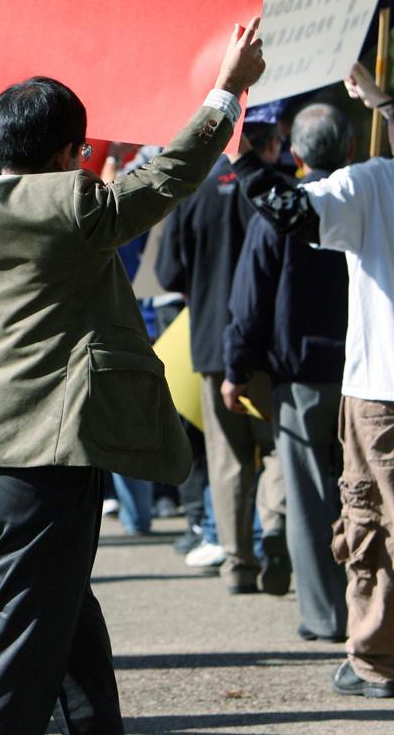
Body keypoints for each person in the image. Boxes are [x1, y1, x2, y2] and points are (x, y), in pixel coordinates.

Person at [0, 0, 265, 733]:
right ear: (73, 151)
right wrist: (228, 86)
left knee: (65, 628)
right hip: (47, 468)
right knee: (21, 662)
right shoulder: (77, 204)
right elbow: (170, 175)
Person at [237, 62, 394, 699]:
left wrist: (242, 157)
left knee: (374, 524)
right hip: (369, 379)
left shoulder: (373, 183)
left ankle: (376, 662)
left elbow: (288, 210)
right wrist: (382, 101)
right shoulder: (373, 178)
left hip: (382, 386)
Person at [221, 103, 353, 643]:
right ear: (347, 149)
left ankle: (326, 615)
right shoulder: (368, 199)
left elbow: (250, 299)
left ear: (295, 153)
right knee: (366, 495)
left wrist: (235, 368)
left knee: (307, 500)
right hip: (363, 372)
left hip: (299, 376)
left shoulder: (280, 210)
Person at [154, 121, 288, 591]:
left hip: (211, 341)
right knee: (275, 447)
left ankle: (238, 563)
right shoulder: (277, 192)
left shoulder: (194, 195)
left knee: (227, 456)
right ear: (269, 147)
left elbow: (167, 273)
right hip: (272, 344)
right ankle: (275, 528)